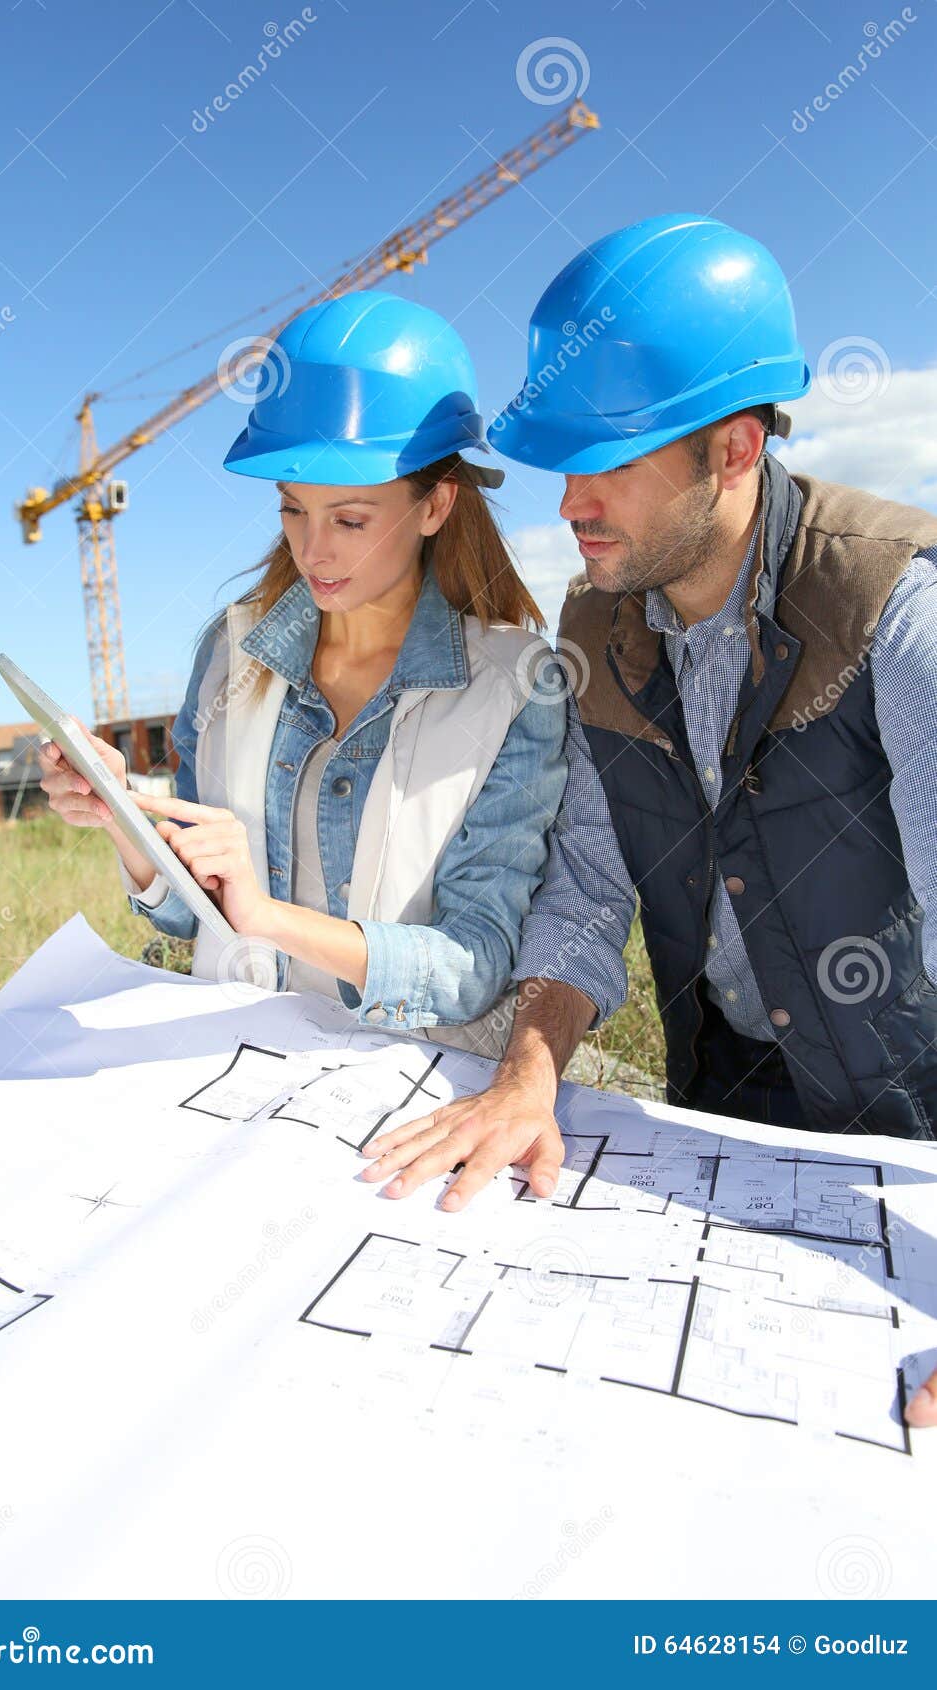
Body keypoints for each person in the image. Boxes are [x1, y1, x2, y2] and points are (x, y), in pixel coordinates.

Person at [359, 215, 937, 1429]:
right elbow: (581, 886)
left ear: (733, 447)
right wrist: (527, 1075)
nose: (569, 503)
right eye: (561, 464)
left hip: (908, 1136)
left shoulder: (895, 607)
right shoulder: (595, 630)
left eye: (606, 462)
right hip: (727, 1113)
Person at [39, 290, 567, 1058]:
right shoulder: (230, 654)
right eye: (292, 510)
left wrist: (269, 918)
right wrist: (125, 819)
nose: (312, 550)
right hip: (230, 1069)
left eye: (349, 519)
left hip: (411, 1085)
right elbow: (189, 916)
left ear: (434, 507)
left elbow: (474, 968)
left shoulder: (515, 687)